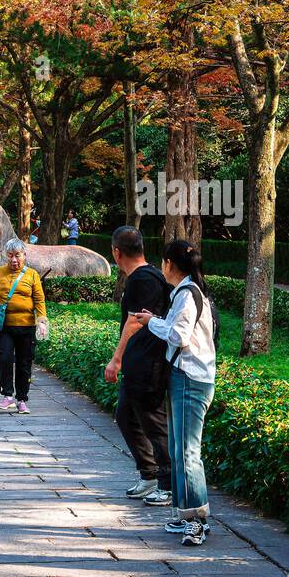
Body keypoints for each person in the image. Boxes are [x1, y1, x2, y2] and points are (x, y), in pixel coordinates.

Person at [128, 239, 217, 547]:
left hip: (191, 378)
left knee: (188, 451)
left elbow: (178, 336)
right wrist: (154, 322)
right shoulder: (187, 290)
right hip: (185, 375)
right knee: (180, 448)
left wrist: (151, 322)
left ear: (170, 264)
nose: (161, 265)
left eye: (163, 261)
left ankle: (197, 521)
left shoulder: (188, 294)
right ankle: (185, 513)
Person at [105, 226, 173, 506]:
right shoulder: (150, 275)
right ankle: (150, 474)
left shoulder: (142, 279)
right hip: (140, 361)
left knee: (154, 424)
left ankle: (168, 485)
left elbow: (134, 321)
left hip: (147, 363)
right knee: (125, 415)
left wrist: (116, 359)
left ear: (116, 252)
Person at [0, 237, 47, 414]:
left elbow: (39, 300)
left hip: (26, 327)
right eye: (10, 256)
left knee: (24, 363)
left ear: (24, 255)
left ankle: (22, 399)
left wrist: (41, 321)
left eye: (17, 256)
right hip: (4, 326)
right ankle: (7, 395)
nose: (14, 260)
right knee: (4, 359)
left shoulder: (32, 275)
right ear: (6, 256)